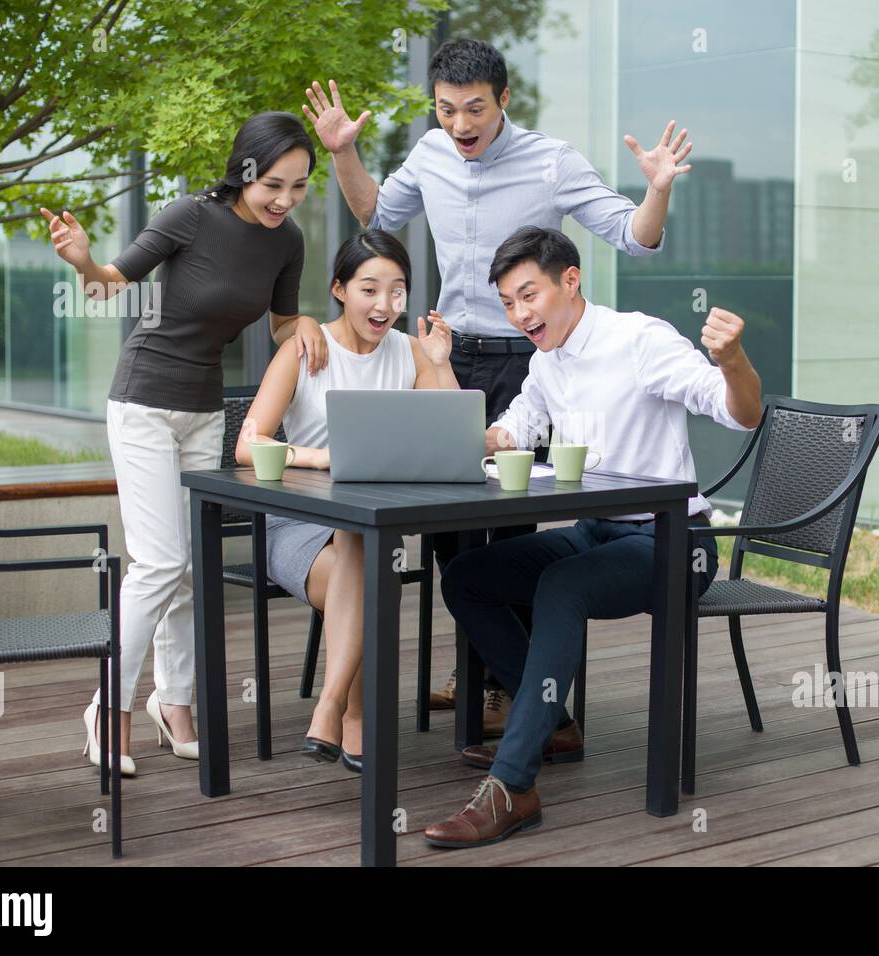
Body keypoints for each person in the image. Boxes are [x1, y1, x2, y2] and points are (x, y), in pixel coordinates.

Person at [303, 37, 696, 723]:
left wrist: (657, 189)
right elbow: (375, 214)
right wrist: (342, 152)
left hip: (528, 358)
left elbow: (633, 235)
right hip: (451, 357)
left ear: (504, 100)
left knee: (513, 522)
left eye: (474, 109)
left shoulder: (552, 161)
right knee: (450, 524)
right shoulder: (429, 154)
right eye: (447, 110)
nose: (460, 126)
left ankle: (507, 690)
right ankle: (478, 668)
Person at [422, 226, 763, 848]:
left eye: (528, 295)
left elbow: (740, 413)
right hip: (596, 532)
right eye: (507, 302)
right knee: (469, 576)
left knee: (559, 585)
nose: (520, 314)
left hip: (673, 541)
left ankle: (513, 785)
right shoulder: (546, 359)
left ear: (570, 281)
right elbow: (513, 428)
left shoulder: (639, 340)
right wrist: (452, 409)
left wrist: (733, 359)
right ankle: (550, 717)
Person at [41, 112, 330, 776]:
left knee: (191, 568)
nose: (286, 200)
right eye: (274, 185)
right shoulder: (189, 217)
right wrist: (83, 258)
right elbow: (110, 285)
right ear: (245, 170)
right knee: (158, 564)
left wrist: (307, 319)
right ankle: (106, 709)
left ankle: (174, 706)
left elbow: (284, 325)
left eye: (300, 188)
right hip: (143, 401)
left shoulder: (285, 242)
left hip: (203, 412)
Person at [235, 230, 457, 772]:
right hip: (296, 527)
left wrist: (441, 362)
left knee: (365, 541)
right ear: (339, 289)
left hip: (368, 530)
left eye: (397, 291)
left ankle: (332, 704)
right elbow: (248, 444)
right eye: (369, 289)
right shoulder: (304, 348)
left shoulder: (410, 352)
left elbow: (453, 438)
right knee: (373, 558)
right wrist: (321, 457)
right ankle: (352, 713)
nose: (385, 305)